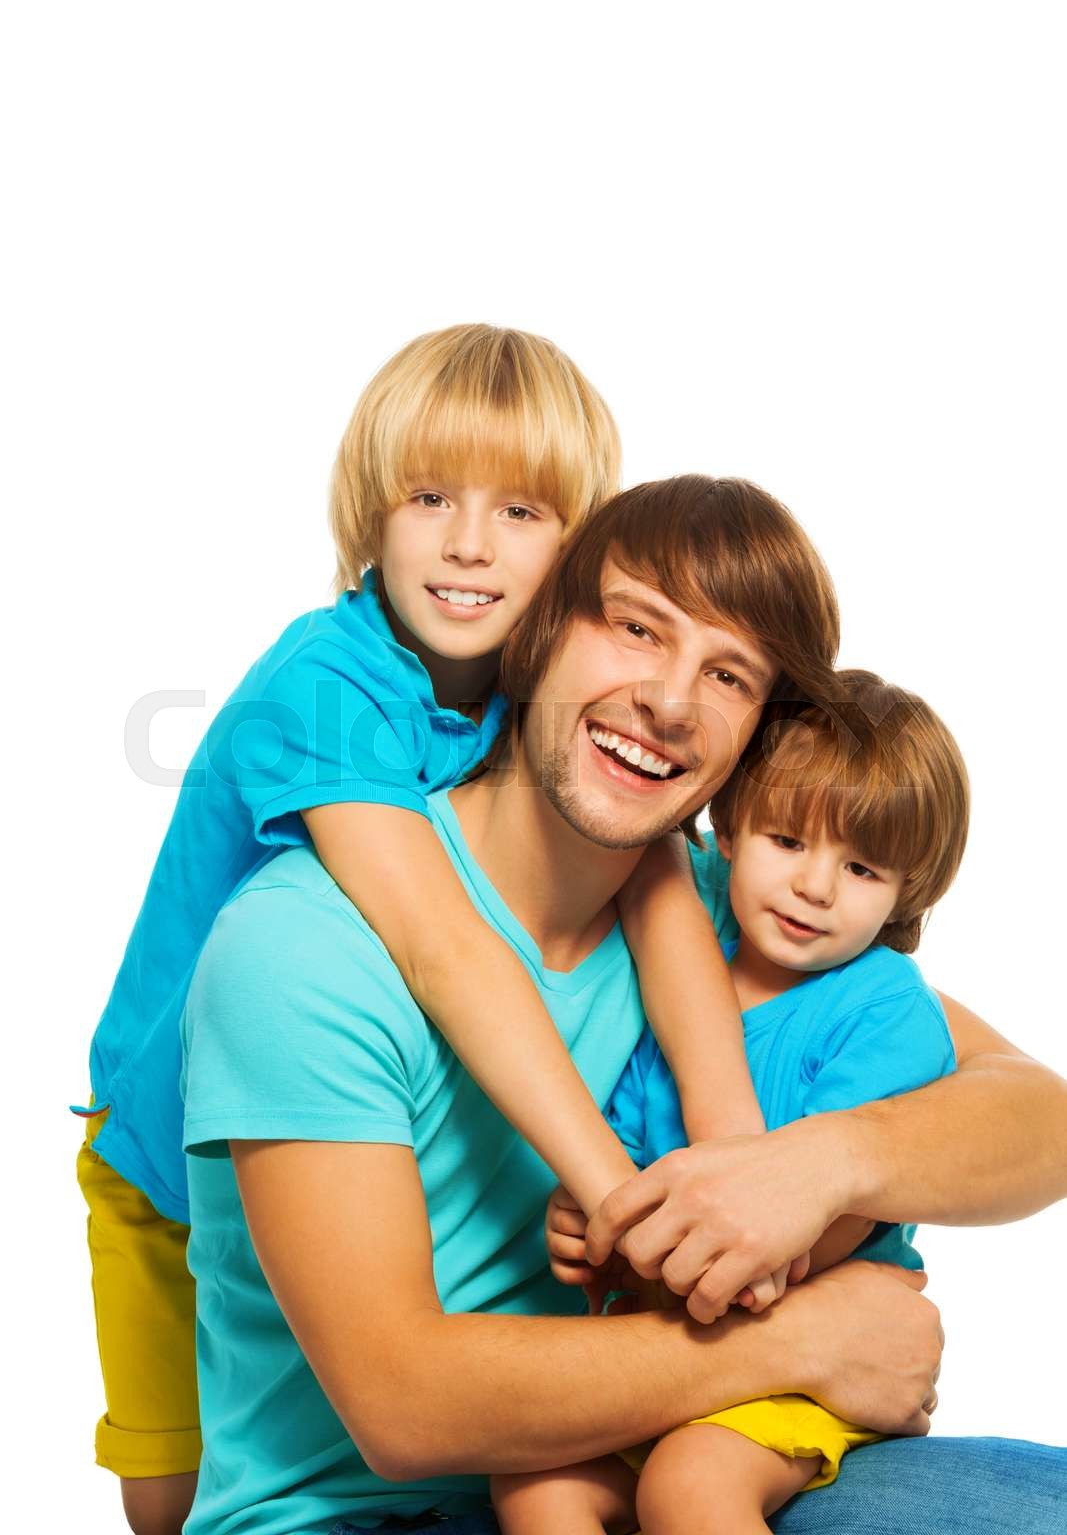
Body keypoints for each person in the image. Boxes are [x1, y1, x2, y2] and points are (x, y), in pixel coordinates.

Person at [179, 476, 1067, 1535]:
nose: (670, 701)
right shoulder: (303, 943)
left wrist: (820, 1165)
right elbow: (404, 1406)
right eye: (636, 628)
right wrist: (804, 1340)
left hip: (651, 1446)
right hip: (371, 1511)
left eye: (727, 675)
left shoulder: (713, 906)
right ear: (542, 632)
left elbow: (1032, 1113)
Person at [74, 330, 773, 1535]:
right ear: (368, 515)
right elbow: (442, 943)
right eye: (429, 498)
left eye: (519, 511)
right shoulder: (323, 683)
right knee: (172, 1499)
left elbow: (648, 860)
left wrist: (743, 1160)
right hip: (159, 1149)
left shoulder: (527, 681)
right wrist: (611, 1190)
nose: (466, 544)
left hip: (334, 1125)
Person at [492, 670, 970, 1534]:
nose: (815, 888)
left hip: (809, 1360)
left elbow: (825, 1228)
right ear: (730, 825)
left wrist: (657, 1255)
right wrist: (586, 1223)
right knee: (534, 1483)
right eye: (788, 842)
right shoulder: (676, 971)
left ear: (909, 891)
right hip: (661, 1345)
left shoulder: (887, 1008)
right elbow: (623, 1161)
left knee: (691, 1483)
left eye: (861, 867)